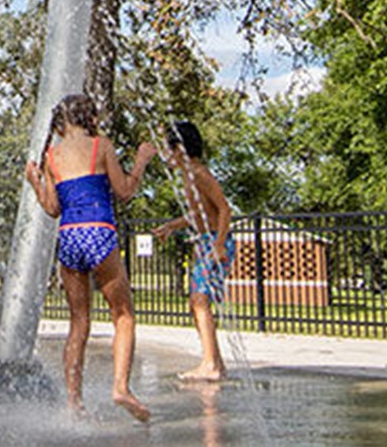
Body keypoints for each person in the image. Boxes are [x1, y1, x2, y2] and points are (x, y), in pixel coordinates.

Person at [23, 94, 155, 423]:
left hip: (69, 237)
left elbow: (53, 209)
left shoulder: (51, 156)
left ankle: (73, 403)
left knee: (79, 322)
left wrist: (36, 182)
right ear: (90, 118)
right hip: (99, 231)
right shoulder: (101, 146)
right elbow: (124, 191)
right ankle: (121, 388)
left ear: (60, 124)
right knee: (123, 314)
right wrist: (141, 161)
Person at [151, 120, 237, 382]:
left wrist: (219, 245)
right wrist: (171, 226)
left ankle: (210, 364)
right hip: (206, 242)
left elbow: (224, 209)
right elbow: (198, 215)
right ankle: (216, 363)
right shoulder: (189, 176)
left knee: (200, 300)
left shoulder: (200, 173)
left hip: (215, 242)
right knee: (197, 302)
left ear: (180, 148)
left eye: (169, 148)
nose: (166, 155)